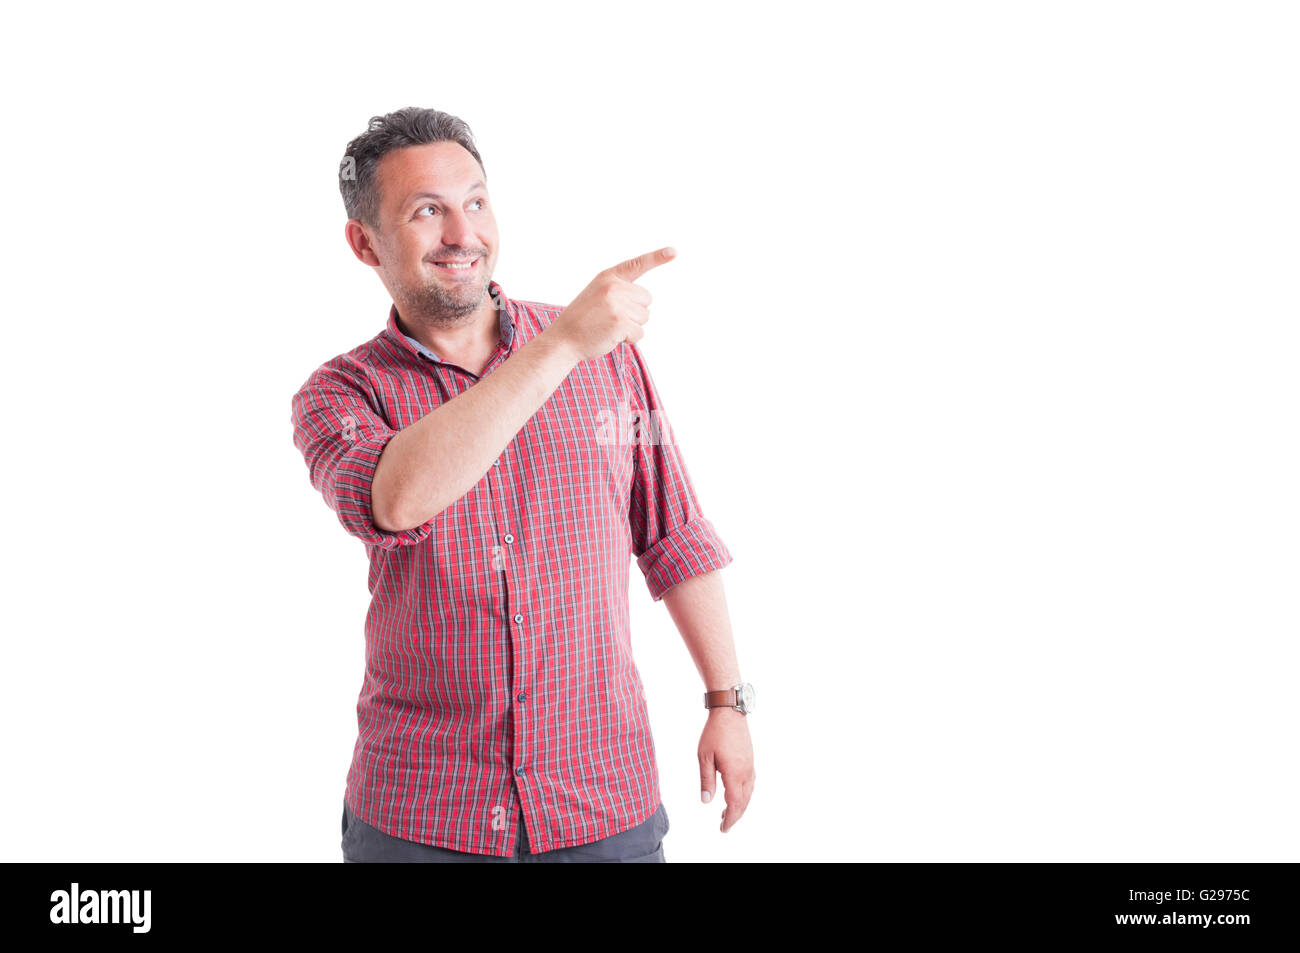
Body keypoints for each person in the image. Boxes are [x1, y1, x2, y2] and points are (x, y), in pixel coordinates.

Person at [290, 107, 755, 862]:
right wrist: (560, 346)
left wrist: (727, 701)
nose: (461, 234)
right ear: (364, 242)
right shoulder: (340, 393)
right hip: (422, 816)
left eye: (475, 201)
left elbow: (671, 532)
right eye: (426, 211)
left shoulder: (608, 358)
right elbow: (395, 499)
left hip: (601, 804)